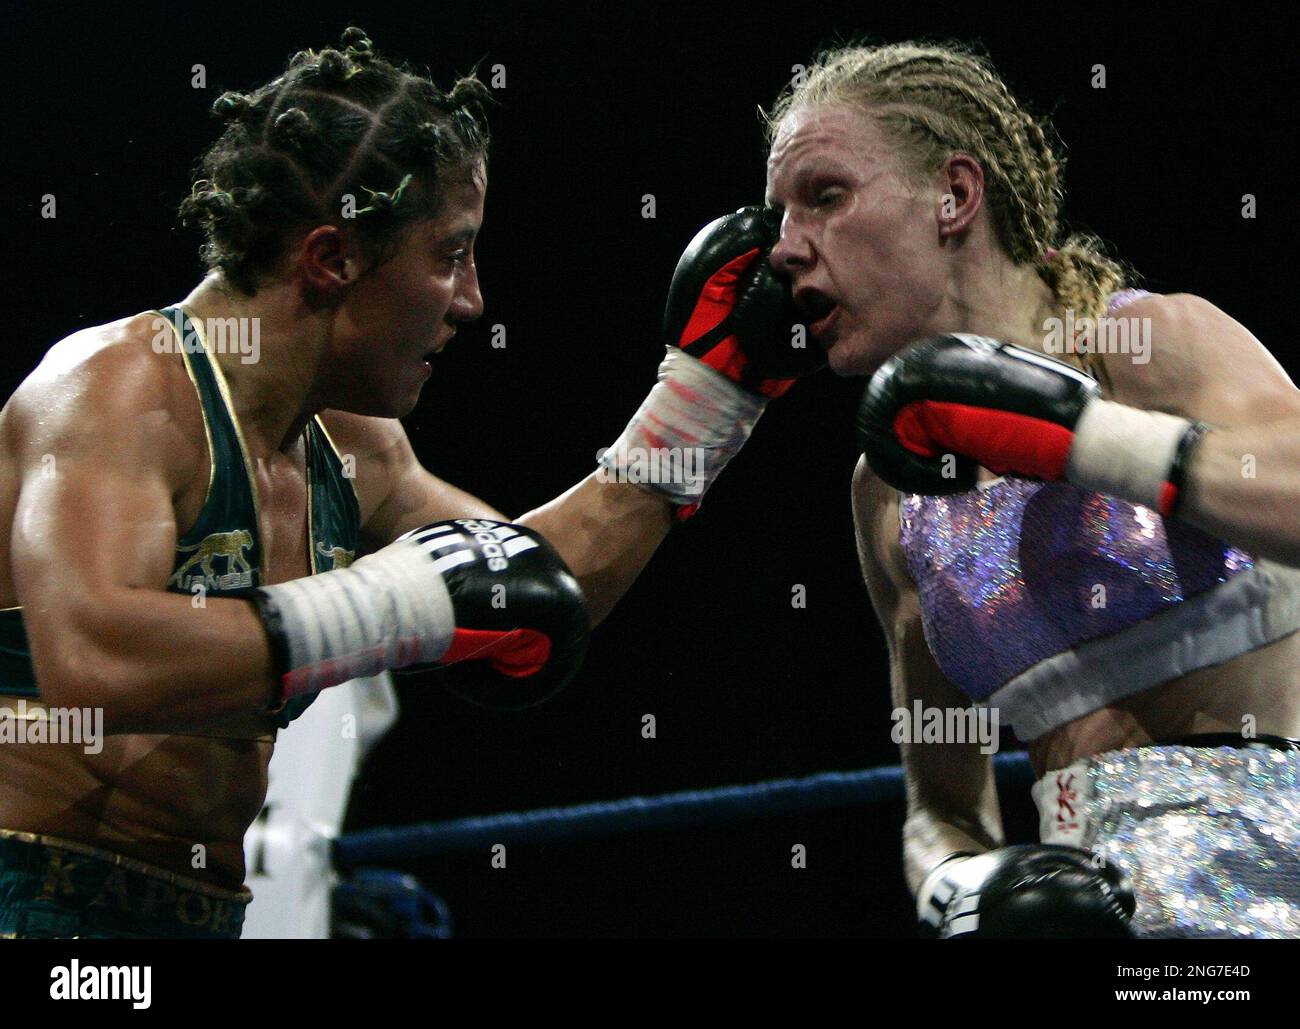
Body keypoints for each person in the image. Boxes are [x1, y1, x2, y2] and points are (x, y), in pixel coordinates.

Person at [0, 27, 813, 939]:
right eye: (450, 254)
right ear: (333, 258)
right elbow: (93, 661)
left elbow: (536, 586)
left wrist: (699, 409)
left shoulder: (350, 446)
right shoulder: (119, 390)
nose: (471, 300)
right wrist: (389, 606)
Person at [762, 41, 1300, 938]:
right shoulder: (891, 494)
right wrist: (966, 890)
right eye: (780, 213)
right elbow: (941, 806)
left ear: (955, 197)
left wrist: (1089, 437)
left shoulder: (1146, 348)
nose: (784, 248)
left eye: (825, 195)